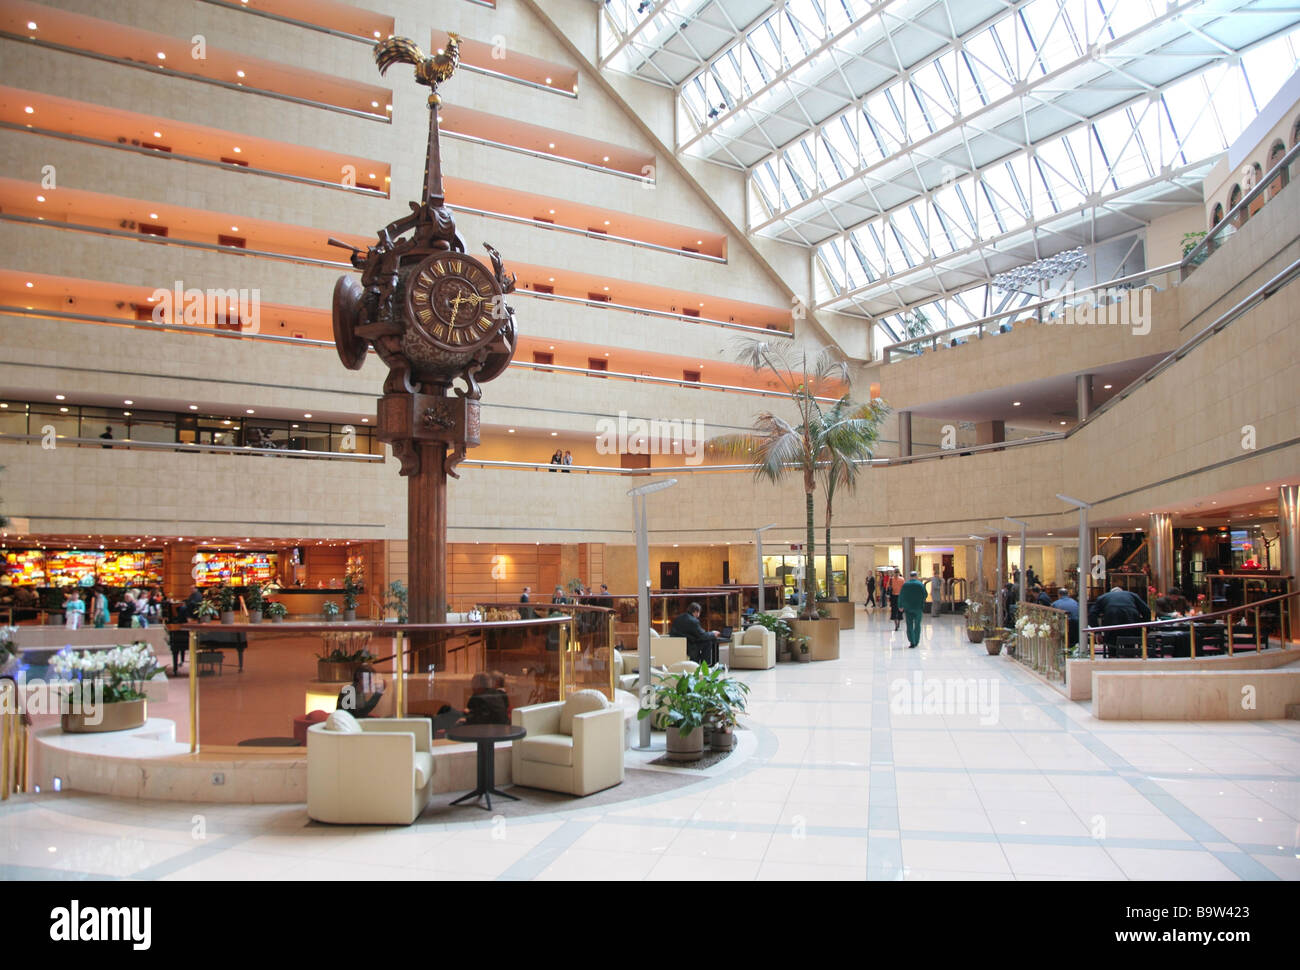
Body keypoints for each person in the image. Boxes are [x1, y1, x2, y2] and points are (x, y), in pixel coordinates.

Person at [897, 570, 927, 648]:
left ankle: (912, 641)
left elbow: (901, 596)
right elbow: (925, 595)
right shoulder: (920, 585)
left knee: (909, 624)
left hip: (908, 608)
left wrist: (900, 606)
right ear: (916, 576)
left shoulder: (905, 585)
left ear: (910, 576)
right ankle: (916, 641)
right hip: (918, 608)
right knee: (917, 625)